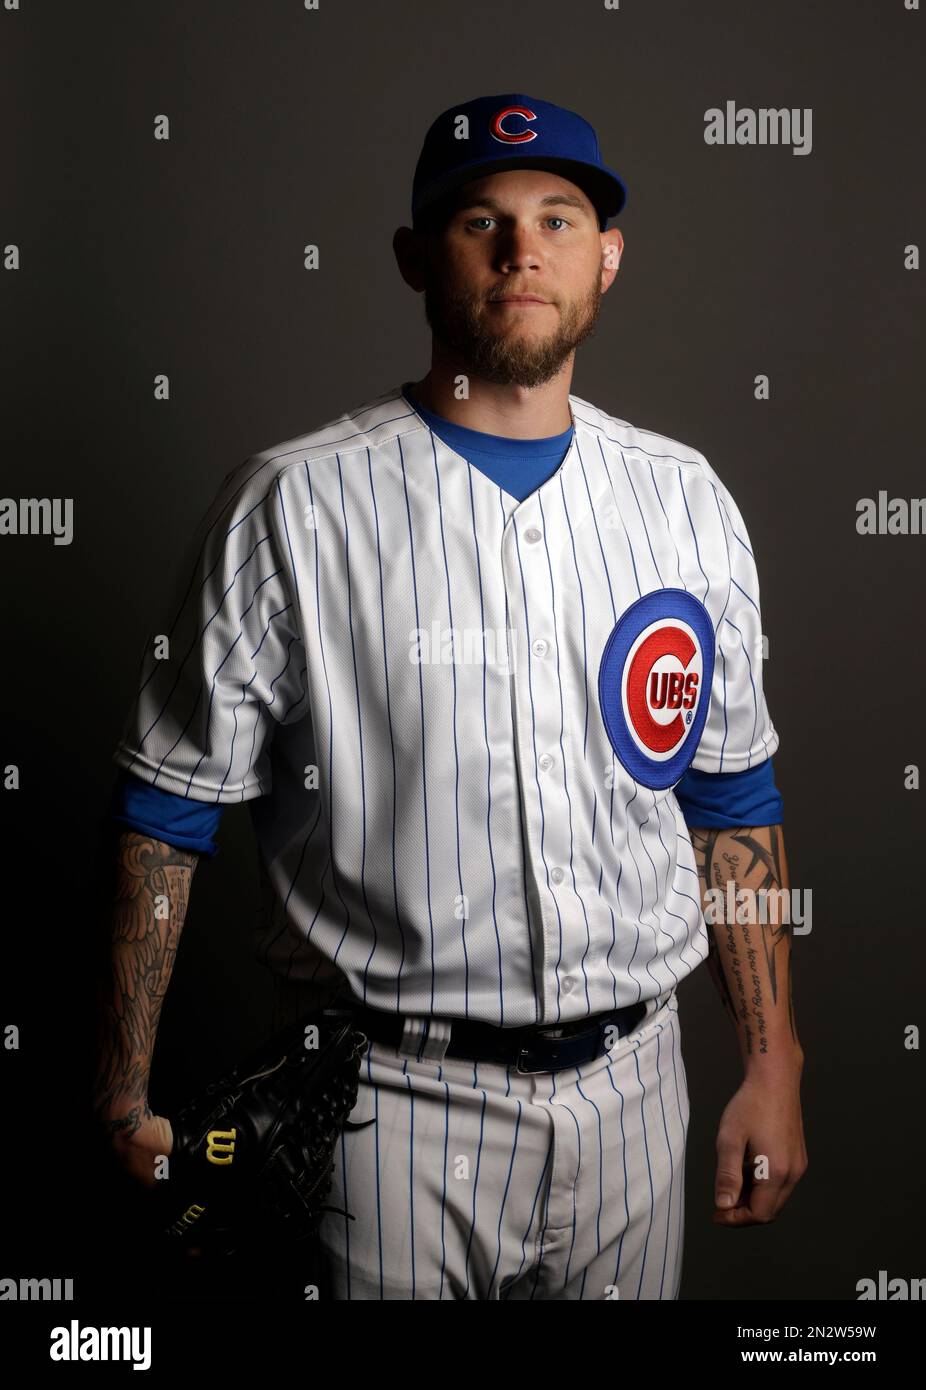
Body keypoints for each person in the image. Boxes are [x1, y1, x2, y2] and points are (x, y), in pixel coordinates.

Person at [93, 92, 807, 1300]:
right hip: (388, 1106)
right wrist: (121, 1085)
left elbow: (730, 798)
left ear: (606, 259)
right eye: (481, 218)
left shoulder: (684, 500)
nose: (523, 249)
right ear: (417, 258)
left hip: (637, 1087)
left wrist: (772, 1060)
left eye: (558, 218)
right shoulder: (294, 506)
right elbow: (165, 812)